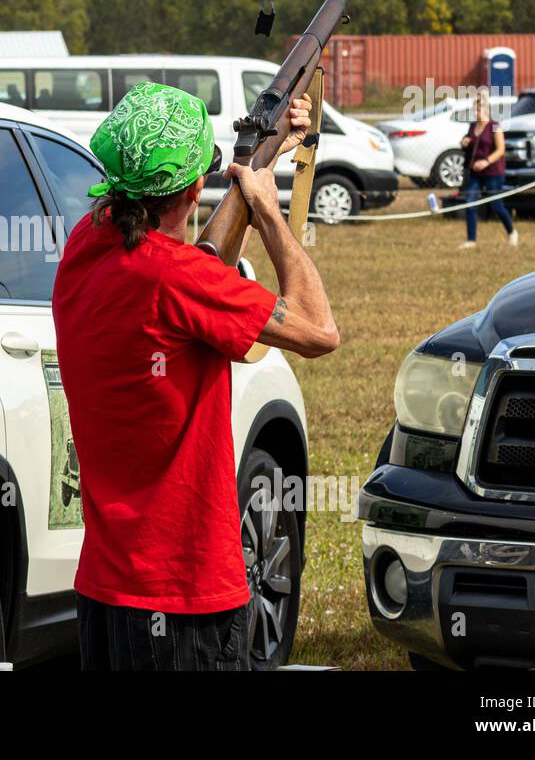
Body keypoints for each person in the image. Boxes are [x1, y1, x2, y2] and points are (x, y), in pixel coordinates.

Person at [51, 81, 339, 671]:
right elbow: (319, 330)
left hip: (106, 587)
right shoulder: (178, 280)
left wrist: (270, 153)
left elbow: (194, 262)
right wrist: (267, 210)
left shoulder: (86, 244)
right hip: (183, 596)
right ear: (193, 189)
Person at [458, 87, 517, 249]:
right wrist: (464, 142)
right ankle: (471, 240)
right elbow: (469, 142)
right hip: (475, 172)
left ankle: (511, 232)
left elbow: (501, 150)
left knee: (496, 205)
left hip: (493, 172)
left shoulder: (495, 126)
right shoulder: (472, 127)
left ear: (485, 110)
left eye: (477, 110)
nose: (475, 113)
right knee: (470, 202)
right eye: (474, 110)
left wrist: (486, 161)